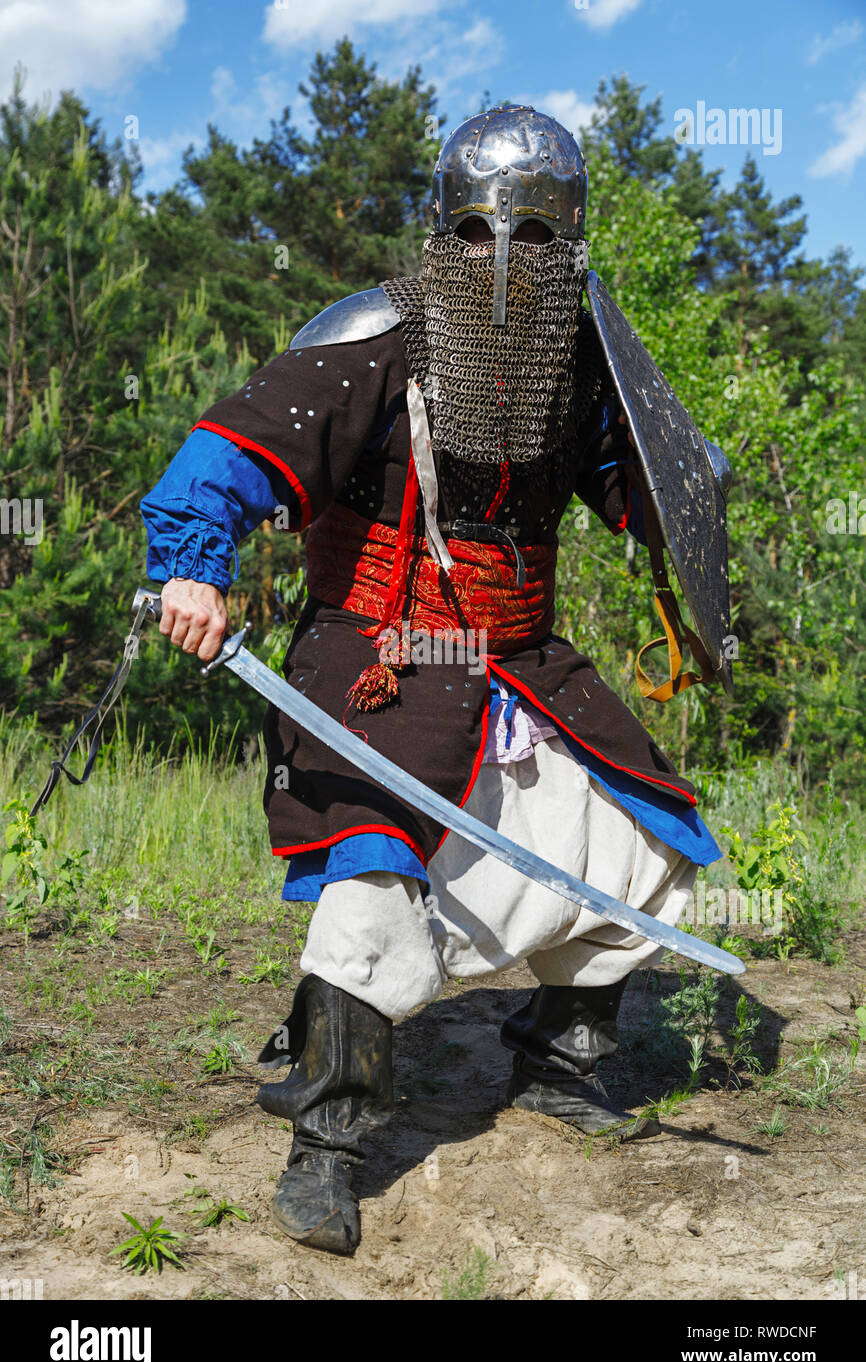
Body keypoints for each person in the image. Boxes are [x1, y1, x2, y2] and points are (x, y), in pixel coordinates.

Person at [141, 105, 723, 1257]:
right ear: (438, 233)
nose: (502, 261)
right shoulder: (371, 339)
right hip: (382, 655)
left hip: (519, 658)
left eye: (533, 238)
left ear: (570, 244)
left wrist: (681, 509)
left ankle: (560, 1050)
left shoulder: (579, 361)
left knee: (639, 836)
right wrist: (191, 570)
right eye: (474, 231)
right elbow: (229, 451)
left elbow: (637, 485)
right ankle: (327, 1143)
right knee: (372, 879)